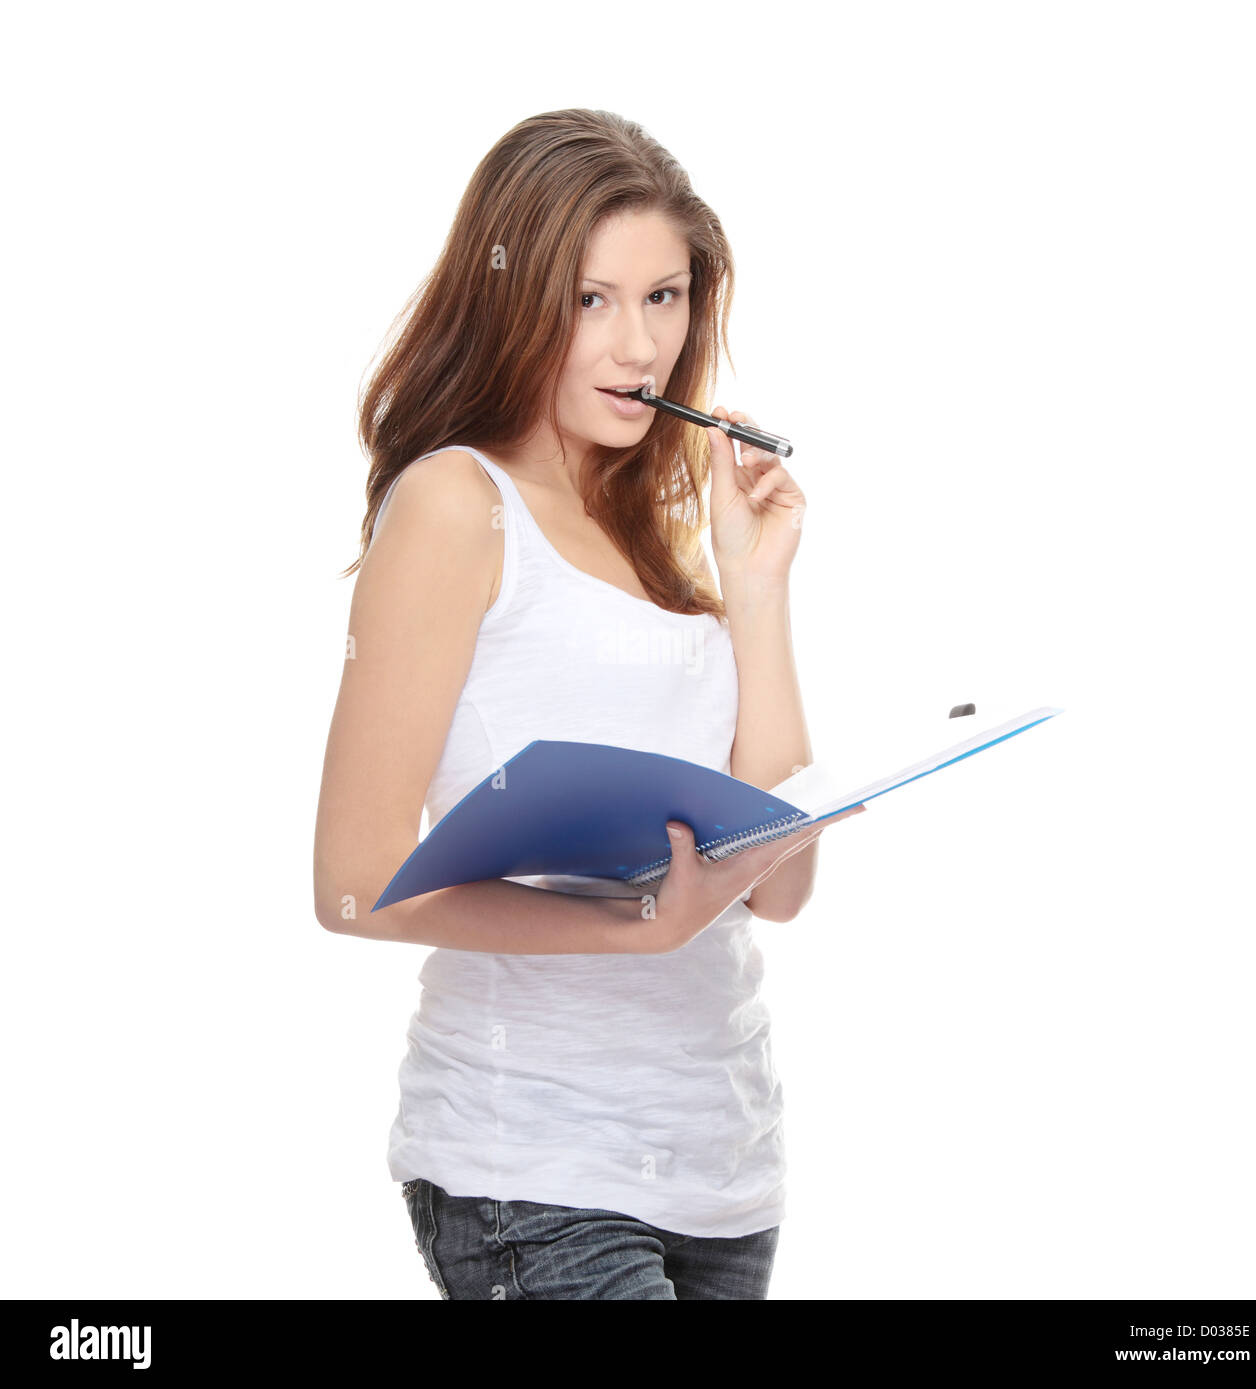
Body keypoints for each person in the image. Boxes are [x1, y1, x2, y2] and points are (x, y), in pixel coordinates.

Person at [313, 108, 863, 1300]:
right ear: (510, 301)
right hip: (534, 1175)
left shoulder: (661, 541)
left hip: (725, 1176)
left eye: (664, 297)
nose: (638, 344)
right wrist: (634, 927)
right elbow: (351, 887)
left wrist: (753, 589)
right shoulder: (458, 506)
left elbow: (780, 885)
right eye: (589, 299)